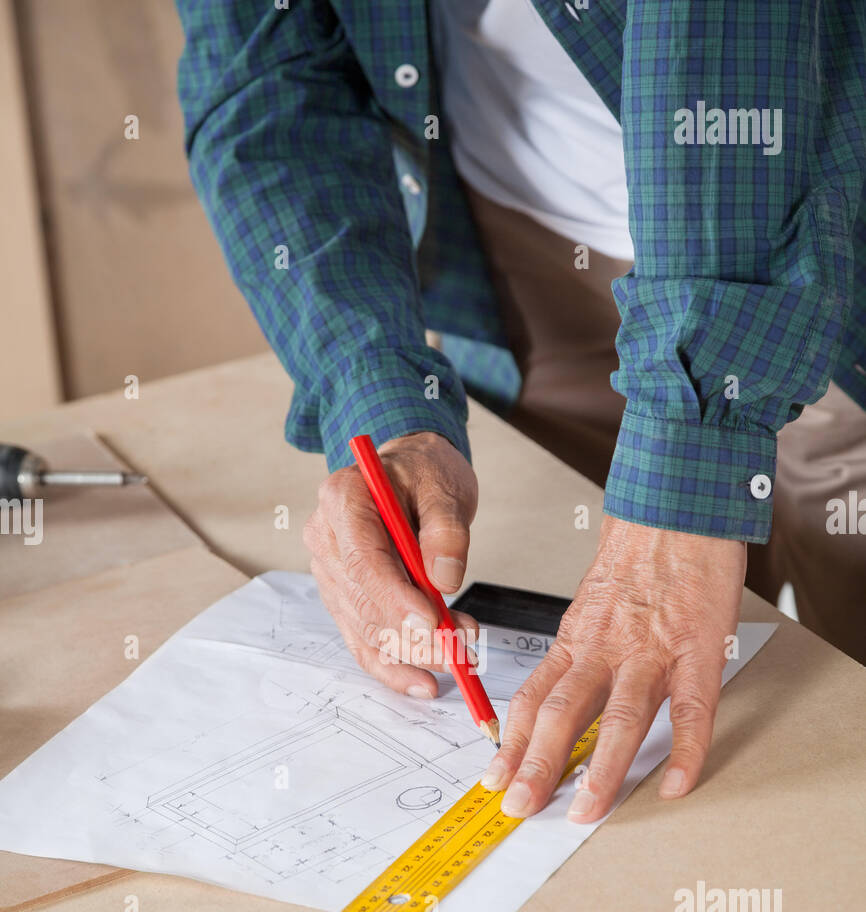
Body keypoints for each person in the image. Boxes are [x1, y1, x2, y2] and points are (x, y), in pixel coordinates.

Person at [176, 1, 866, 823]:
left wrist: (687, 457)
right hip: (522, 249)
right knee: (668, 778)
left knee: (835, 732)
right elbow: (268, 77)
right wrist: (378, 395)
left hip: (831, 224)